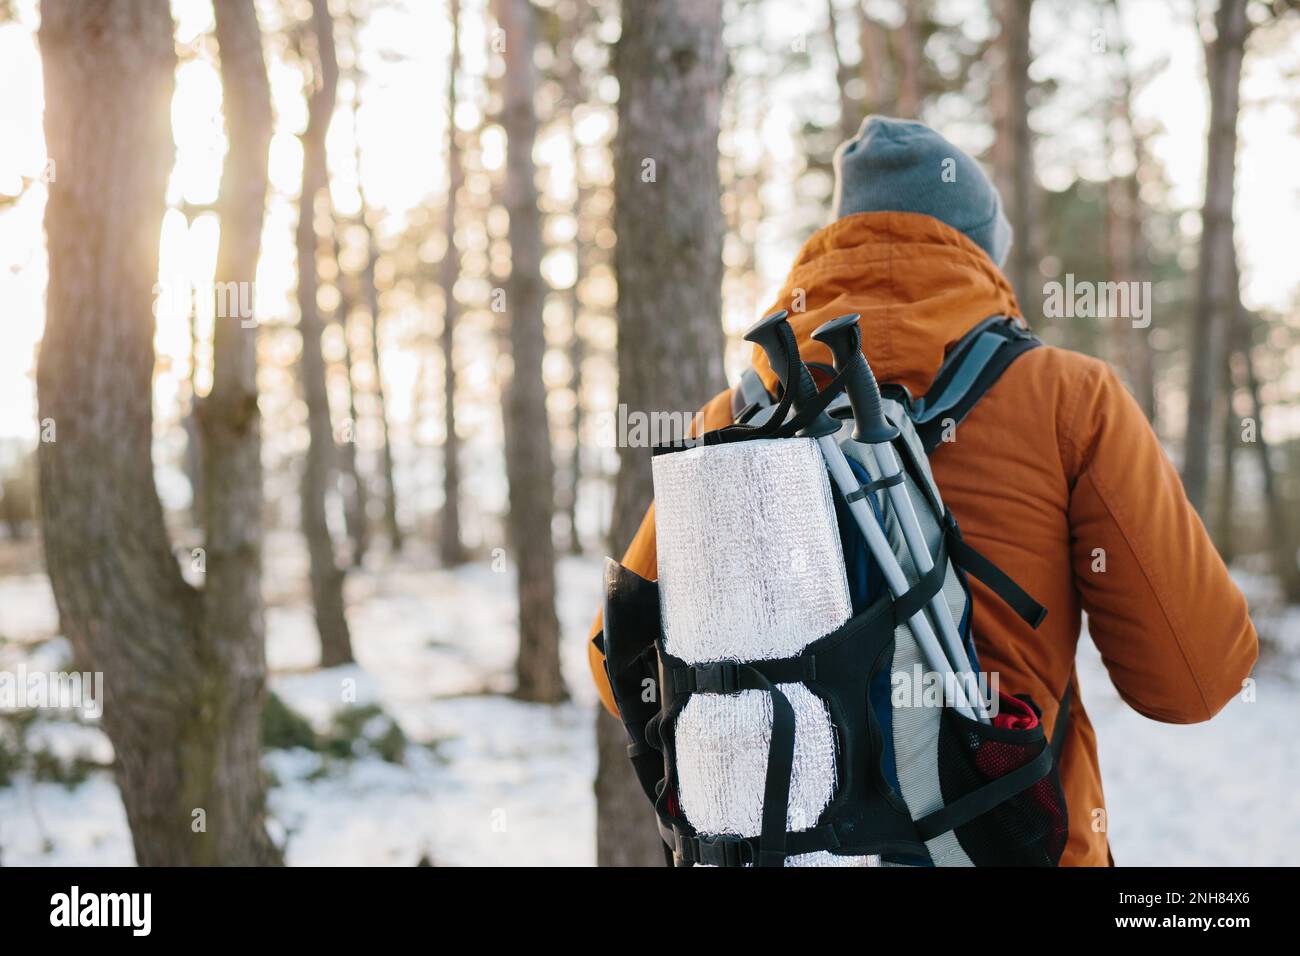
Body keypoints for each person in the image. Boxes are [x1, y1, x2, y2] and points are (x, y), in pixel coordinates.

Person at [587, 115, 1258, 866]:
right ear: (981, 251)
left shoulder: (739, 415)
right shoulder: (1071, 398)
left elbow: (622, 668)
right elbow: (1192, 683)